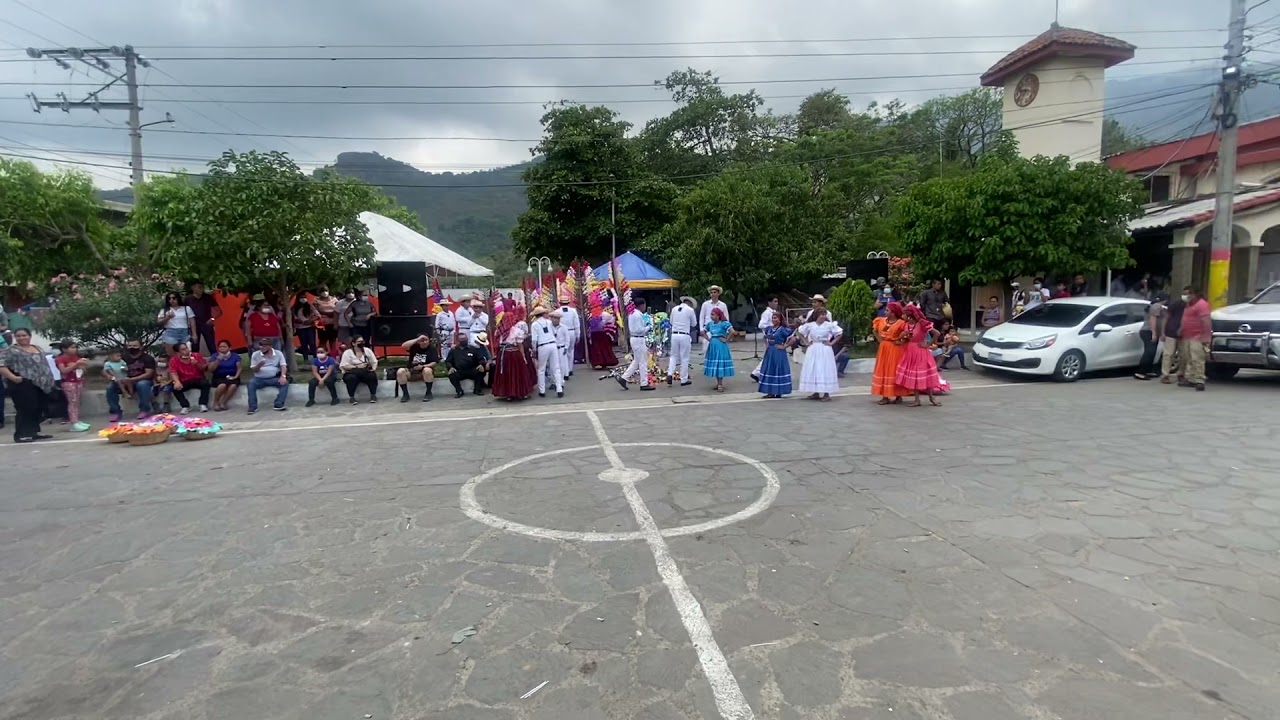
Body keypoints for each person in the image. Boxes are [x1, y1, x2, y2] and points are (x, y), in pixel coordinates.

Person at [0, 328, 55, 442]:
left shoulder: (37, 348)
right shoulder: (11, 350)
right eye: (19, 336)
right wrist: (13, 378)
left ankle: (34, 431)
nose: (22, 338)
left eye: (24, 335)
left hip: (40, 384)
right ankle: (21, 434)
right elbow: (2, 365)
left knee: (38, 407)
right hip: (22, 383)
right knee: (25, 408)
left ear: (29, 336)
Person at [896, 306, 943, 407]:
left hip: (921, 351)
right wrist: (903, 338)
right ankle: (917, 400)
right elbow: (904, 338)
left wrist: (928, 344)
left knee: (923, 375)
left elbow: (937, 333)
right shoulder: (906, 325)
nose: (902, 316)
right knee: (913, 376)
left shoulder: (922, 323)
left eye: (904, 314)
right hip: (910, 351)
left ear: (910, 315)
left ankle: (931, 398)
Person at [108, 338, 157, 421]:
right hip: (124, 381)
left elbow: (149, 374)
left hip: (143, 381)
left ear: (141, 347)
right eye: (130, 346)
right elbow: (109, 368)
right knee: (110, 387)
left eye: (135, 346)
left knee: (142, 384)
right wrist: (112, 377)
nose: (132, 348)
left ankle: (144, 410)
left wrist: (132, 379)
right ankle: (115, 412)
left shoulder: (147, 358)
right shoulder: (122, 358)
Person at [797, 308, 841, 401]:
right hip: (813, 348)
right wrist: (806, 342)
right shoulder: (810, 325)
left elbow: (839, 333)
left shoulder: (829, 325)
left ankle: (826, 393)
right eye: (821, 314)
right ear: (816, 315)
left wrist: (831, 343)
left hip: (824, 349)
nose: (823, 316)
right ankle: (815, 392)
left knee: (824, 368)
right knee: (814, 368)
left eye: (825, 314)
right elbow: (800, 332)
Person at [871, 302, 910, 405]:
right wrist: (880, 341)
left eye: (888, 310)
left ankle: (898, 395)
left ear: (893, 312)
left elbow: (908, 336)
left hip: (895, 349)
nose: (885, 312)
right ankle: (885, 396)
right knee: (883, 369)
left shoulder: (901, 323)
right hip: (884, 348)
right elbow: (874, 330)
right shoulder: (881, 321)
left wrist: (900, 341)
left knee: (894, 370)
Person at [492, 312, 534, 400]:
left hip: (503, 354)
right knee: (517, 373)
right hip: (514, 354)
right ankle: (520, 393)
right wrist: (523, 356)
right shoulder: (515, 331)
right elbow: (519, 344)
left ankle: (508, 394)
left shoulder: (499, 330)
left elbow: (497, 343)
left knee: (506, 373)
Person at [1178, 285, 1211, 392]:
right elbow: (1186, 318)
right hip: (1187, 335)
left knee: (1197, 359)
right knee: (1189, 358)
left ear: (1193, 294)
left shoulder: (1201, 304)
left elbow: (1206, 321)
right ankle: (1191, 378)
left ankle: (1199, 380)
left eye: (1187, 294)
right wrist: (1181, 329)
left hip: (1197, 336)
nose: (1185, 296)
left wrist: (1206, 336)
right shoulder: (1188, 304)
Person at [53, 340, 90, 432]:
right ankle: (73, 422)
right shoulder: (60, 359)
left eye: (75, 347)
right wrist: (75, 365)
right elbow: (63, 371)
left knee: (76, 402)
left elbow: (83, 369)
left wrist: (82, 365)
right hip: (68, 382)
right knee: (72, 402)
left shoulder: (75, 357)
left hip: (78, 381)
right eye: (72, 347)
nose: (74, 349)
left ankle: (76, 420)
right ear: (64, 349)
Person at [618, 298, 654, 391]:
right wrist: (648, 327)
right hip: (638, 339)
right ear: (641, 305)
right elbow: (639, 330)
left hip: (634, 339)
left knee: (637, 361)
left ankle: (624, 377)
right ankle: (644, 383)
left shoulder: (632, 313)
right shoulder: (638, 315)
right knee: (643, 362)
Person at [757, 309, 794, 399]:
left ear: (780, 319)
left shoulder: (783, 330)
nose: (774, 320)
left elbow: (793, 339)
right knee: (770, 369)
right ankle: (770, 391)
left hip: (779, 352)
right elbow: (765, 337)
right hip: (770, 352)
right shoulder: (769, 329)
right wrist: (767, 345)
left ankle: (779, 391)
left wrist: (784, 346)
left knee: (778, 370)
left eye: (776, 318)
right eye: (773, 318)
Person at [246, 338, 289, 414]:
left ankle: (279, 403)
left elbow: (283, 366)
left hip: (273, 377)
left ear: (270, 346)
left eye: (265, 345)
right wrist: (259, 365)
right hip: (259, 378)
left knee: (284, 383)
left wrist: (283, 376)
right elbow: (254, 370)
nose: (262, 347)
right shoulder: (255, 354)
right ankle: (253, 406)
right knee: (251, 384)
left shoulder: (278, 353)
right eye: (261, 345)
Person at [528, 307, 563, 399]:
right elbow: (555, 332)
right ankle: (559, 388)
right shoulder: (549, 322)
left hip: (542, 346)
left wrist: (534, 350)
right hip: (552, 344)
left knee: (541, 369)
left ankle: (542, 390)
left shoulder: (535, 324)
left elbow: (534, 339)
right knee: (556, 368)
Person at [166, 342, 210, 414]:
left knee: (206, 383)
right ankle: (185, 406)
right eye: (183, 349)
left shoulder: (196, 355)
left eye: (186, 348)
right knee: (174, 387)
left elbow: (204, 368)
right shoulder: (174, 360)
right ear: (178, 352)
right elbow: (173, 372)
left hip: (197, 378)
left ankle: (203, 404)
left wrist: (197, 363)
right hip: (184, 380)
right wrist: (177, 381)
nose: (186, 350)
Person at [444, 330, 487, 397]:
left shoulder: (473, 349)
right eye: (461, 339)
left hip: (471, 369)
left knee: (481, 371)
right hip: (459, 370)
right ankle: (459, 391)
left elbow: (481, 358)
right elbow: (448, 361)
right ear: (458, 340)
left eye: (464, 339)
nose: (463, 340)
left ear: (467, 339)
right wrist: (450, 367)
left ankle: (477, 390)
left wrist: (481, 364)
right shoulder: (454, 350)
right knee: (451, 374)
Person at [397, 333, 439, 403]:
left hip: (424, 372)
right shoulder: (414, 347)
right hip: (412, 371)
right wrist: (417, 339)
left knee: (427, 370)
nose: (424, 342)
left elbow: (434, 362)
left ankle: (428, 393)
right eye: (422, 340)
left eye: (426, 340)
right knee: (400, 371)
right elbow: (403, 346)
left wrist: (423, 366)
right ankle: (405, 394)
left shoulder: (432, 349)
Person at [703, 306, 736, 392]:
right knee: (715, 364)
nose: (711, 316)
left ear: (718, 316)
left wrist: (726, 339)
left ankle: (720, 384)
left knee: (719, 364)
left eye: (713, 314)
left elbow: (732, 331)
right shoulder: (710, 324)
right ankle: (718, 383)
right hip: (713, 345)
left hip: (720, 345)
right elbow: (703, 332)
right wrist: (708, 339)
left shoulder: (724, 323)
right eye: (711, 314)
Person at [1135, 291, 1167, 380]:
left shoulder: (1154, 305)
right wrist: (1154, 333)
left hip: (1147, 331)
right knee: (1149, 352)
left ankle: (1148, 370)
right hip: (1148, 331)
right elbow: (1153, 319)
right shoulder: (1157, 306)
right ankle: (1140, 372)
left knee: (1151, 352)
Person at [183, 281, 221, 354]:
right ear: (193, 288)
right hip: (194, 325)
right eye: (199, 287)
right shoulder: (188, 299)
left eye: (202, 287)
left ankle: (215, 362)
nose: (201, 289)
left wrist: (212, 318)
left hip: (207, 323)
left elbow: (218, 311)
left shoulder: (208, 297)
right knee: (195, 346)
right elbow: (183, 311)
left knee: (211, 345)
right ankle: (195, 362)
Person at [667, 296, 697, 386]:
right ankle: (683, 379)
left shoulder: (674, 309)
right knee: (684, 358)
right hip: (684, 335)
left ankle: (669, 373)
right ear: (690, 303)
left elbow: (671, 322)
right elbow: (694, 323)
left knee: (673, 356)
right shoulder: (690, 310)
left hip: (674, 334)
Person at [340, 336, 379, 403]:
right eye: (359, 342)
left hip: (364, 371)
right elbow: (344, 366)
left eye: (362, 341)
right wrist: (357, 367)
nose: (362, 343)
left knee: (372, 376)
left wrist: (373, 369)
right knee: (351, 378)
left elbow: (374, 361)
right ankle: (352, 397)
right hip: (352, 372)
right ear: (353, 343)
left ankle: (373, 395)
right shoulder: (347, 352)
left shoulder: (367, 350)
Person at [157, 292, 198, 357]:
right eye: (169, 298)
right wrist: (168, 317)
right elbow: (159, 322)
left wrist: (194, 334)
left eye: (174, 298)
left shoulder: (186, 308)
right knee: (172, 354)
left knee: (186, 353)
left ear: (178, 298)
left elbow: (192, 321)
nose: (171, 300)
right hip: (171, 332)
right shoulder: (165, 310)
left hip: (184, 332)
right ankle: (175, 366)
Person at [1159, 292, 1186, 384]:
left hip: (1184, 334)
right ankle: (1165, 375)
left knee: (1184, 355)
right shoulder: (1175, 304)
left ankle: (1181, 374)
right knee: (1168, 354)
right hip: (1171, 332)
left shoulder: (1191, 306)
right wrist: (1163, 333)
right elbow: (1166, 318)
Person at [750, 296, 779, 381]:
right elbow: (761, 325)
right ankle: (757, 372)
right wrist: (771, 327)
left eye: (777, 301)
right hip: (769, 336)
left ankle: (759, 373)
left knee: (771, 356)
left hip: (774, 336)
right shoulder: (766, 313)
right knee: (769, 355)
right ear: (769, 303)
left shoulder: (774, 312)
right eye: (775, 301)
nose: (776, 303)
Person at [207, 340, 241, 411]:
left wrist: (236, 376)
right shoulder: (215, 356)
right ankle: (215, 403)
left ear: (229, 348)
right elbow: (210, 369)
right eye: (220, 347)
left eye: (224, 346)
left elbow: (239, 368)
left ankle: (223, 402)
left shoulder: (235, 356)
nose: (222, 348)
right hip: (219, 377)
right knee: (222, 385)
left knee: (233, 386)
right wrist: (217, 360)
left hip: (232, 376)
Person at [556, 293, 581, 375]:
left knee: (562, 351)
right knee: (571, 350)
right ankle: (570, 369)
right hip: (571, 331)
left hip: (561, 332)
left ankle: (564, 370)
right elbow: (577, 323)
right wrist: (578, 334)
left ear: (560, 303)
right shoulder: (573, 311)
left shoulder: (557, 312)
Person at [292, 296, 319, 363]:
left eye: (304, 297)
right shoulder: (294, 308)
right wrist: (300, 321)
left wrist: (310, 320)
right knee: (303, 344)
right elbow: (293, 318)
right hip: (300, 328)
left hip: (309, 327)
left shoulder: (310, 306)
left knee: (312, 343)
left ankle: (315, 358)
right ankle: (306, 359)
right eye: (302, 297)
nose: (303, 299)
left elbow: (318, 315)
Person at [314, 287, 340, 356]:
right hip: (322, 323)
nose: (324, 292)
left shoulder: (334, 299)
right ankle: (321, 356)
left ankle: (333, 356)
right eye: (322, 291)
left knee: (333, 340)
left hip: (332, 323)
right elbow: (315, 311)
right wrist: (324, 314)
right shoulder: (316, 300)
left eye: (326, 290)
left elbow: (338, 309)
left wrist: (335, 320)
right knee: (322, 341)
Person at [550, 310, 570, 395]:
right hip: (553, 348)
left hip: (561, 348)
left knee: (562, 366)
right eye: (554, 318)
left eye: (558, 319)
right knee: (552, 366)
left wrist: (566, 347)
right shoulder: (549, 327)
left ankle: (561, 382)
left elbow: (567, 338)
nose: (556, 320)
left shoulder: (564, 327)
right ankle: (554, 382)